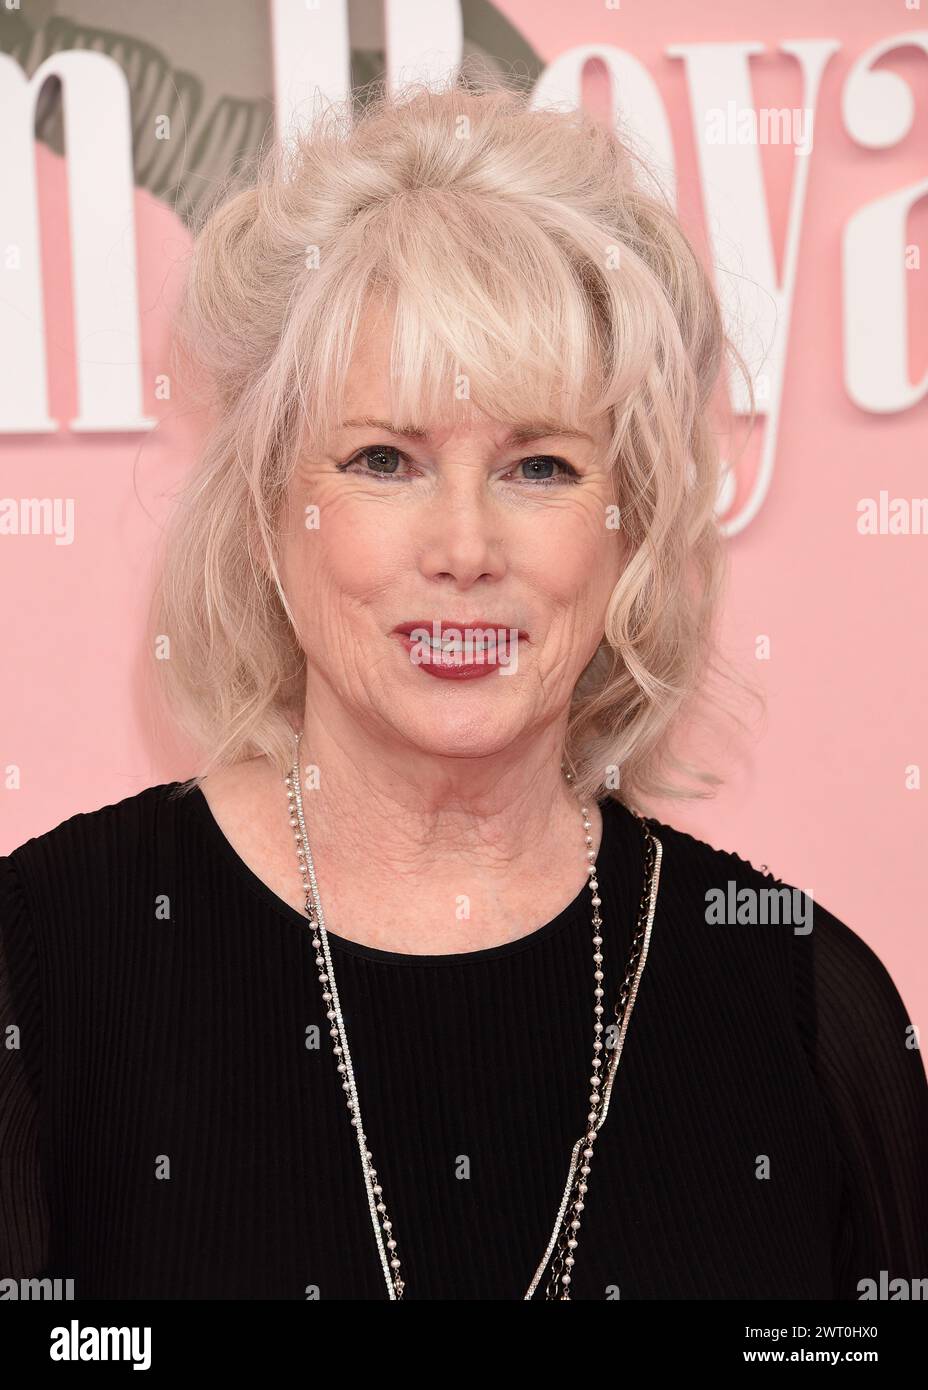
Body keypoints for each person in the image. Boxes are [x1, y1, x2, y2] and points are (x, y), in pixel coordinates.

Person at [1, 74, 926, 1302]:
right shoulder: (49, 962)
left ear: (628, 526)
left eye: (539, 466)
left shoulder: (806, 1004)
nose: (465, 547)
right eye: (384, 458)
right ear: (275, 513)